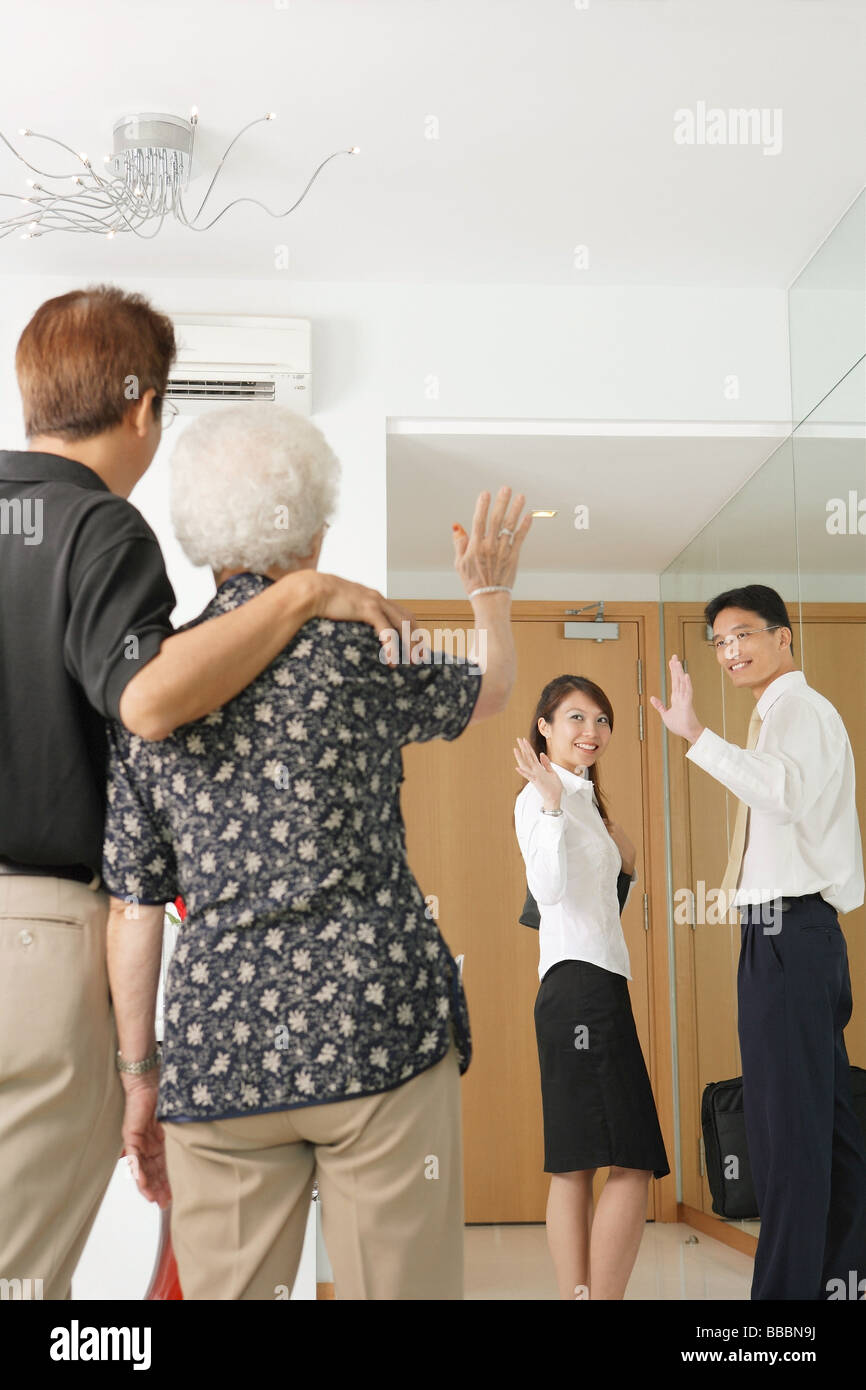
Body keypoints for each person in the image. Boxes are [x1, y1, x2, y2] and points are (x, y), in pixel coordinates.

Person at [0, 285, 416, 1301]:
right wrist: (305, 593)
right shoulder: (97, 528)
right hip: (38, 937)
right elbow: (147, 700)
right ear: (143, 407)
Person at [102, 402, 532, 1300]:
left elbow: (134, 906)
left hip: (221, 1049)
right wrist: (487, 591)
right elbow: (490, 689)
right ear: (313, 529)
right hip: (377, 1029)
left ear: (200, 537)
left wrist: (139, 1075)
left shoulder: (152, 687)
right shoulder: (355, 645)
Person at [650, 584, 866, 1300]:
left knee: (787, 1132)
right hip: (792, 935)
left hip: (790, 933)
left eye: (743, 634)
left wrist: (695, 736)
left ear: (784, 638)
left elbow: (781, 793)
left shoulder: (797, 710)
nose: (730, 650)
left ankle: (780, 1312)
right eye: (718, 641)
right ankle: (842, 1283)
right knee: (827, 1124)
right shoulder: (777, 716)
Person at [513, 675, 669, 1301]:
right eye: (576, 718)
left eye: (602, 720)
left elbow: (618, 877)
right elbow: (547, 892)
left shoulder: (580, 799)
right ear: (544, 728)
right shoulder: (541, 797)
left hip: (583, 986)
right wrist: (553, 798)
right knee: (632, 1160)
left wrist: (590, 813)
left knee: (575, 1160)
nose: (593, 731)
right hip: (585, 989)